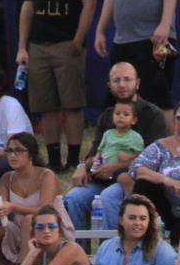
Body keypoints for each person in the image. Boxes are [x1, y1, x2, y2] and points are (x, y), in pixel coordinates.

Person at [16, 0, 97, 171]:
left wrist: (78, 41)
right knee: (46, 106)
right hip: (38, 44)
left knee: (72, 104)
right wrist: (22, 46)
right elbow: (27, 4)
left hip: (67, 42)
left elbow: (89, 3)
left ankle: (72, 159)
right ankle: (53, 160)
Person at [65, 62, 167, 231]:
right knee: (73, 198)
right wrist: (83, 166)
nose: (121, 84)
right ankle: (79, 254)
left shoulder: (152, 114)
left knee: (108, 198)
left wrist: (115, 167)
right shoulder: (107, 116)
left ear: (138, 83)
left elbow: (153, 160)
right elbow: (94, 151)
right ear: (109, 86)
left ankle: (114, 251)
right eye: (116, 80)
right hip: (101, 179)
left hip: (132, 181)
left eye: (127, 79)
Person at [92, 0, 180, 109]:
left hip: (152, 38)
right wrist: (100, 30)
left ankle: (163, 133)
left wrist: (165, 24)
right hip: (122, 40)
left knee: (157, 102)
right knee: (120, 103)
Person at [127, 95, 180, 244]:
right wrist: (167, 180)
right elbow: (136, 168)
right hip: (167, 208)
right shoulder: (161, 146)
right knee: (144, 183)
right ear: (174, 120)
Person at [0, 133, 60, 265]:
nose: (12, 155)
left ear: (31, 154)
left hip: (46, 228)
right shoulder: (6, 178)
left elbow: (45, 210)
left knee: (30, 219)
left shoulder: (46, 175)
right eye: (9, 151)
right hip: (17, 230)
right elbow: (3, 206)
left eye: (18, 150)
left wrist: (13, 207)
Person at [63, 99, 143, 233]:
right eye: (117, 113)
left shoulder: (135, 138)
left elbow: (140, 157)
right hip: (100, 174)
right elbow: (100, 150)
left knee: (108, 195)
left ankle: (112, 243)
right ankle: (78, 248)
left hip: (121, 175)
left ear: (133, 120)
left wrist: (126, 158)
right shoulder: (108, 134)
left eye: (125, 114)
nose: (121, 116)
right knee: (72, 197)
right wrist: (95, 158)